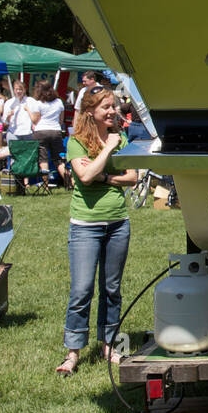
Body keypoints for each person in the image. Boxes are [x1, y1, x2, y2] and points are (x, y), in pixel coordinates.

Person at [56, 86, 138, 376]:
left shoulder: (123, 138)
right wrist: (107, 150)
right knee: (81, 290)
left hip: (118, 223)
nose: (112, 111)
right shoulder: (76, 141)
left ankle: (109, 344)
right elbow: (86, 176)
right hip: (85, 226)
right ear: (90, 110)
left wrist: (104, 175)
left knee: (111, 289)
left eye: (113, 106)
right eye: (106, 107)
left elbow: (133, 177)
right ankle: (73, 352)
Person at [33, 80, 69, 187]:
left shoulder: (38, 103)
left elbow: (35, 120)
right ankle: (70, 182)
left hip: (41, 131)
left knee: (43, 159)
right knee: (58, 159)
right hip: (55, 131)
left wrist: (28, 111)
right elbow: (61, 120)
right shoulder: (58, 102)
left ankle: (45, 185)